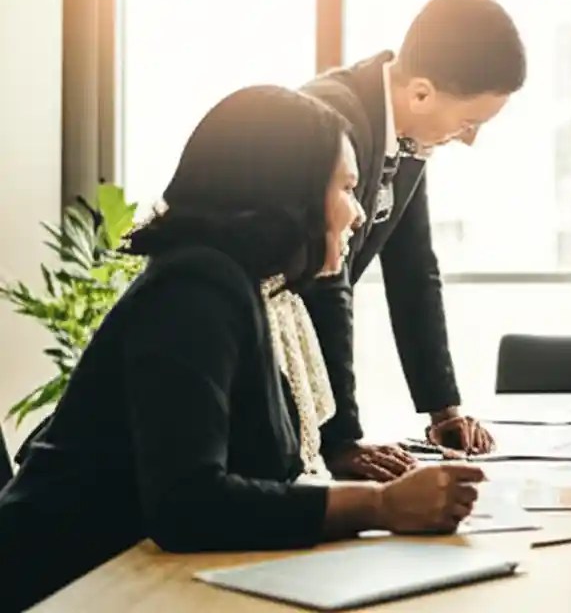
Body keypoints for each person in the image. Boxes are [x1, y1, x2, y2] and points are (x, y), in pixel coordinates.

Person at [0, 86, 486, 611]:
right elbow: (189, 505)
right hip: (63, 588)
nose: (359, 215)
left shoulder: (241, 287)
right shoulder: (193, 292)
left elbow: (255, 476)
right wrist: (380, 506)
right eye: (346, 189)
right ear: (290, 192)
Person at [299, 0, 526, 479]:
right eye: (469, 121)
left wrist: (443, 408)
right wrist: (342, 440)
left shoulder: (408, 136)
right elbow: (327, 280)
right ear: (421, 92)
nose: (469, 137)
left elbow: (414, 271)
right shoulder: (335, 119)